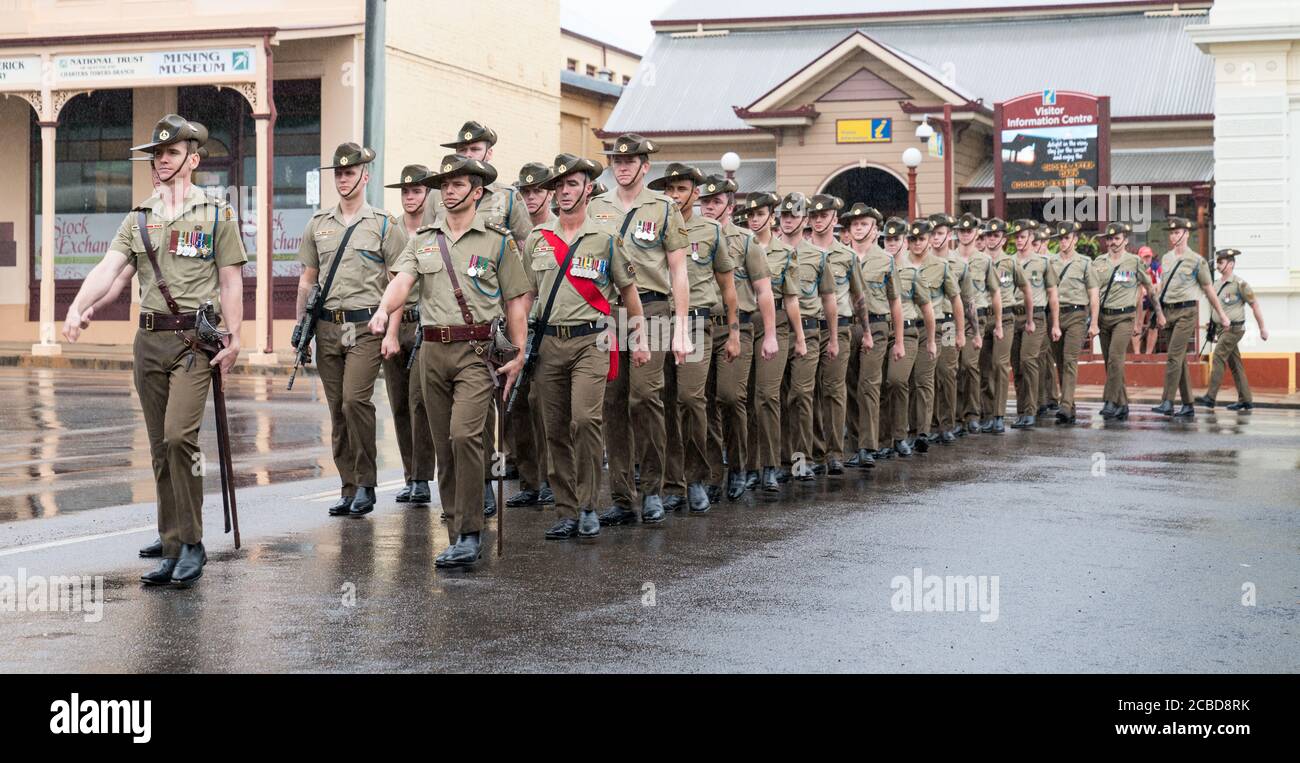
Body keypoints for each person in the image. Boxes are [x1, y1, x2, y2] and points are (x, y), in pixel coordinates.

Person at [63, 114, 245, 586]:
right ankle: (171, 541)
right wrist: (80, 308)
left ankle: (192, 542)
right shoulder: (138, 217)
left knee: (180, 438)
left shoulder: (217, 213)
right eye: (156, 154)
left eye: (170, 153)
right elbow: (112, 271)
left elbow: (231, 279)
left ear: (193, 159)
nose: (161, 160)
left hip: (193, 342)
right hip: (148, 342)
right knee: (160, 447)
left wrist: (236, 337)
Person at [369, 153, 531, 568]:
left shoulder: (497, 241)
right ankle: (458, 530)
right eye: (445, 184)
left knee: (464, 436)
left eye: (458, 184)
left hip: (476, 353)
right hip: (431, 351)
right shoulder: (423, 239)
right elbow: (402, 282)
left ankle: (472, 530)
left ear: (477, 191)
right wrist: (384, 312)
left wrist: (519, 352)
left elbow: (516, 301)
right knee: (444, 445)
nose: (449, 190)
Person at [523, 153, 647, 538]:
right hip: (547, 344)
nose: (563, 191)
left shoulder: (606, 238)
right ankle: (567, 509)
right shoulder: (537, 239)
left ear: (588, 189)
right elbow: (526, 294)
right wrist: (517, 342)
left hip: (592, 340)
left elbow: (629, 293)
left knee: (585, 419)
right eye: (557, 185)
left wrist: (640, 339)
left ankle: (590, 503)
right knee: (554, 427)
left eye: (571, 184)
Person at [296, 143, 407, 518]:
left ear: (366, 175)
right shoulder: (318, 225)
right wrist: (302, 330)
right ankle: (348, 486)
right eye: (339, 173)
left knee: (354, 400)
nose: (344, 179)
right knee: (337, 411)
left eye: (350, 172)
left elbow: (399, 284)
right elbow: (306, 281)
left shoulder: (384, 224)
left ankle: (367, 483)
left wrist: (392, 332)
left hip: (365, 327)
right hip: (328, 327)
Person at [587, 134, 691, 526]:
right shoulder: (596, 206)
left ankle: (652, 489)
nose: (623, 165)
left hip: (654, 308)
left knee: (646, 398)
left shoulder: (664, 207)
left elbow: (679, 270)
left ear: (646, 167)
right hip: (608, 312)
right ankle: (621, 495)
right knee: (612, 401)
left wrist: (681, 327)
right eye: (618, 160)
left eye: (632, 161)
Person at [652, 163, 738, 513]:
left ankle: (698, 476)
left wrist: (733, 333)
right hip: (659, 319)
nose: (674, 196)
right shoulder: (651, 228)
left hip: (697, 322)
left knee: (690, 399)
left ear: (695, 193)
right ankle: (673, 482)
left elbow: (728, 287)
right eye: (669, 190)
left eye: (681, 189)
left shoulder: (711, 231)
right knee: (663, 402)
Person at [699, 175, 778, 500]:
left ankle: (739, 466)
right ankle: (715, 472)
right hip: (701, 326)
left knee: (731, 397)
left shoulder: (746, 242)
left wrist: (770, 335)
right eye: (705, 201)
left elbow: (763, 291)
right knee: (702, 401)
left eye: (715, 202)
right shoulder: (691, 236)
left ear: (730, 207)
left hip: (738, 327)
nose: (708, 207)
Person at [381, 164, 436, 506]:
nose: (410, 196)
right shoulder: (392, 232)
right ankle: (408, 474)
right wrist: (388, 331)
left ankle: (422, 479)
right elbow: (392, 283)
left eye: (416, 190)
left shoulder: (434, 232)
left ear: (427, 194)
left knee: (419, 403)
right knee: (399, 403)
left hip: (425, 323)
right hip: (396, 325)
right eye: (405, 191)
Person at [742, 192, 805, 491]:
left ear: (772, 216)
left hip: (776, 324)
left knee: (767, 396)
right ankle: (750, 465)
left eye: (760, 214)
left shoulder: (783, 252)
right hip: (743, 324)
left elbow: (791, 298)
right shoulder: (739, 244)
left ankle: (770, 465)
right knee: (745, 397)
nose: (754, 219)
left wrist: (800, 338)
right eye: (750, 214)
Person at [504, 162, 557, 509]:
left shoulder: (559, 230)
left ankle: (554, 479)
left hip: (551, 327)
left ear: (550, 193)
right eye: (525, 192)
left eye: (537, 190)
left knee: (545, 405)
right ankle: (529, 480)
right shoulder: (514, 238)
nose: (531, 197)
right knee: (517, 404)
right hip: (518, 325)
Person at [842, 204, 904, 467]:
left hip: (877, 327)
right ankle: (856, 442)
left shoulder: (885, 260)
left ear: (875, 228)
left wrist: (899, 340)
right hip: (847, 326)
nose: (858, 227)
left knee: (869, 385)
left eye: (863, 223)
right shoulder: (841, 256)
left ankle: (868, 446)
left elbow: (896, 303)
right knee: (851, 386)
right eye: (854, 224)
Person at [1151, 217, 1231, 418]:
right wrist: (1158, 310)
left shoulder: (1197, 260)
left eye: (1177, 232)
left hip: (1187, 312)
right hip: (1168, 311)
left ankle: (1167, 401)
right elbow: (1162, 286)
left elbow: (1208, 289)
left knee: (1173, 357)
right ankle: (1188, 404)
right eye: (1171, 233)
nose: (1174, 236)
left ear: (1186, 234)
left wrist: (1221, 314)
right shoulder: (1167, 258)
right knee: (1180, 360)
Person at [808, 194, 866, 474]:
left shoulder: (847, 256)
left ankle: (834, 452)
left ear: (834, 219)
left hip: (839, 329)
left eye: (824, 216)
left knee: (833, 389)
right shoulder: (800, 253)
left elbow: (858, 297)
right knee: (809, 391)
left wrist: (865, 331)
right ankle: (815, 451)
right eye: (814, 216)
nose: (819, 221)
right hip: (808, 327)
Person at [783, 193, 837, 480]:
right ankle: (780, 460)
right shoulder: (767, 251)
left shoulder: (818, 257)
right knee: (776, 397)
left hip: (809, 330)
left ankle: (801, 459)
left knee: (802, 394)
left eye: (794, 215)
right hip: (777, 330)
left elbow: (829, 299)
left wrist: (834, 337)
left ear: (804, 220)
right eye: (784, 215)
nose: (788, 220)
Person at [1091, 222, 1162, 420]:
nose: (1113, 242)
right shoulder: (1098, 262)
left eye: (1117, 238)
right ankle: (1122, 403)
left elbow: (1148, 288)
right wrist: (1093, 321)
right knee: (1110, 362)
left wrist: (1159, 313)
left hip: (1125, 317)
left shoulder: (1134, 261)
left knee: (1115, 358)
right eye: (1110, 239)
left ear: (1125, 240)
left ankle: (1109, 400)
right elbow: (1094, 293)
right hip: (1105, 316)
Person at [881, 218, 936, 457]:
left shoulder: (912, 272)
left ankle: (901, 435)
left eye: (896, 239)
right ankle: (882, 439)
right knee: (878, 386)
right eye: (888, 239)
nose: (891, 243)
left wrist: (932, 340)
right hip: (880, 330)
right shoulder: (875, 266)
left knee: (897, 380)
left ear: (903, 241)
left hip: (908, 333)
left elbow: (927, 309)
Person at [1196, 248, 1268, 412]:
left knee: (1218, 357)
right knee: (1236, 365)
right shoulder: (1216, 283)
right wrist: (1212, 326)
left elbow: (1254, 305)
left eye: (1221, 262)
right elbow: (1215, 307)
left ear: (1231, 264)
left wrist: (1262, 328)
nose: (1218, 265)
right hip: (1221, 329)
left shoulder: (1240, 284)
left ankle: (1210, 397)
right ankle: (1245, 400)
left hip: (1234, 329)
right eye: (1218, 262)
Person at [1047, 221, 1100, 424]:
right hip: (1055, 316)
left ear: (1075, 239)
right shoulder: (1051, 263)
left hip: (1077, 315)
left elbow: (1093, 294)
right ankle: (1070, 405)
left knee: (1070, 360)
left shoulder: (1085, 263)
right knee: (1059, 362)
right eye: (1060, 238)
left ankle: (1065, 405)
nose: (1063, 242)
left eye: (1066, 237)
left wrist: (1094, 322)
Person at [1008, 219, 1057, 429]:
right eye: (1017, 237)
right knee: (1017, 365)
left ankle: (1031, 409)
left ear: (1031, 237)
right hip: (1012, 316)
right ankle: (1022, 409)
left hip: (1036, 317)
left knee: (1029, 360)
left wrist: (1055, 324)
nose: (1019, 240)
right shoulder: (1007, 262)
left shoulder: (1043, 263)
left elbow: (1053, 296)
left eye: (1023, 236)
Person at [952, 213, 998, 435]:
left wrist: (997, 322)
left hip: (975, 319)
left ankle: (972, 413)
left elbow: (995, 292)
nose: (965, 234)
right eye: (962, 231)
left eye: (969, 231)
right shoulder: (948, 259)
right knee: (951, 367)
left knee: (970, 365)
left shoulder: (985, 260)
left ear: (976, 233)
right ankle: (955, 415)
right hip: (950, 320)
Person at [926, 212, 968, 445]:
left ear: (949, 235)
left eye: (940, 233)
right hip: (928, 324)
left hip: (949, 323)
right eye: (931, 233)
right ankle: (928, 424)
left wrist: (963, 332)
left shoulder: (959, 264)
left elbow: (964, 301)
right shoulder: (922, 261)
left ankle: (947, 423)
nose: (935, 238)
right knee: (927, 375)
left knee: (947, 373)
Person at [978, 219, 1024, 434]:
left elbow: (1026, 289)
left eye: (996, 236)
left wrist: (1030, 318)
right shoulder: (978, 262)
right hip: (982, 317)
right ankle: (987, 414)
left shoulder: (1011, 263)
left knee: (999, 365)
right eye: (988, 235)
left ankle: (998, 415)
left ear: (1004, 239)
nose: (991, 239)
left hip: (1005, 317)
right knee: (984, 368)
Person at [1135, 245, 1161, 354]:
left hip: (1153, 297)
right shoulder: (1135, 267)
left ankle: (1148, 354)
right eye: (1144, 257)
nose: (1147, 259)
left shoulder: (1156, 267)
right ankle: (1137, 354)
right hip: (1141, 297)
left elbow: (1159, 285)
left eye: (1149, 257)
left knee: (1153, 325)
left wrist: (1151, 289)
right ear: (1139, 257)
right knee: (1138, 324)